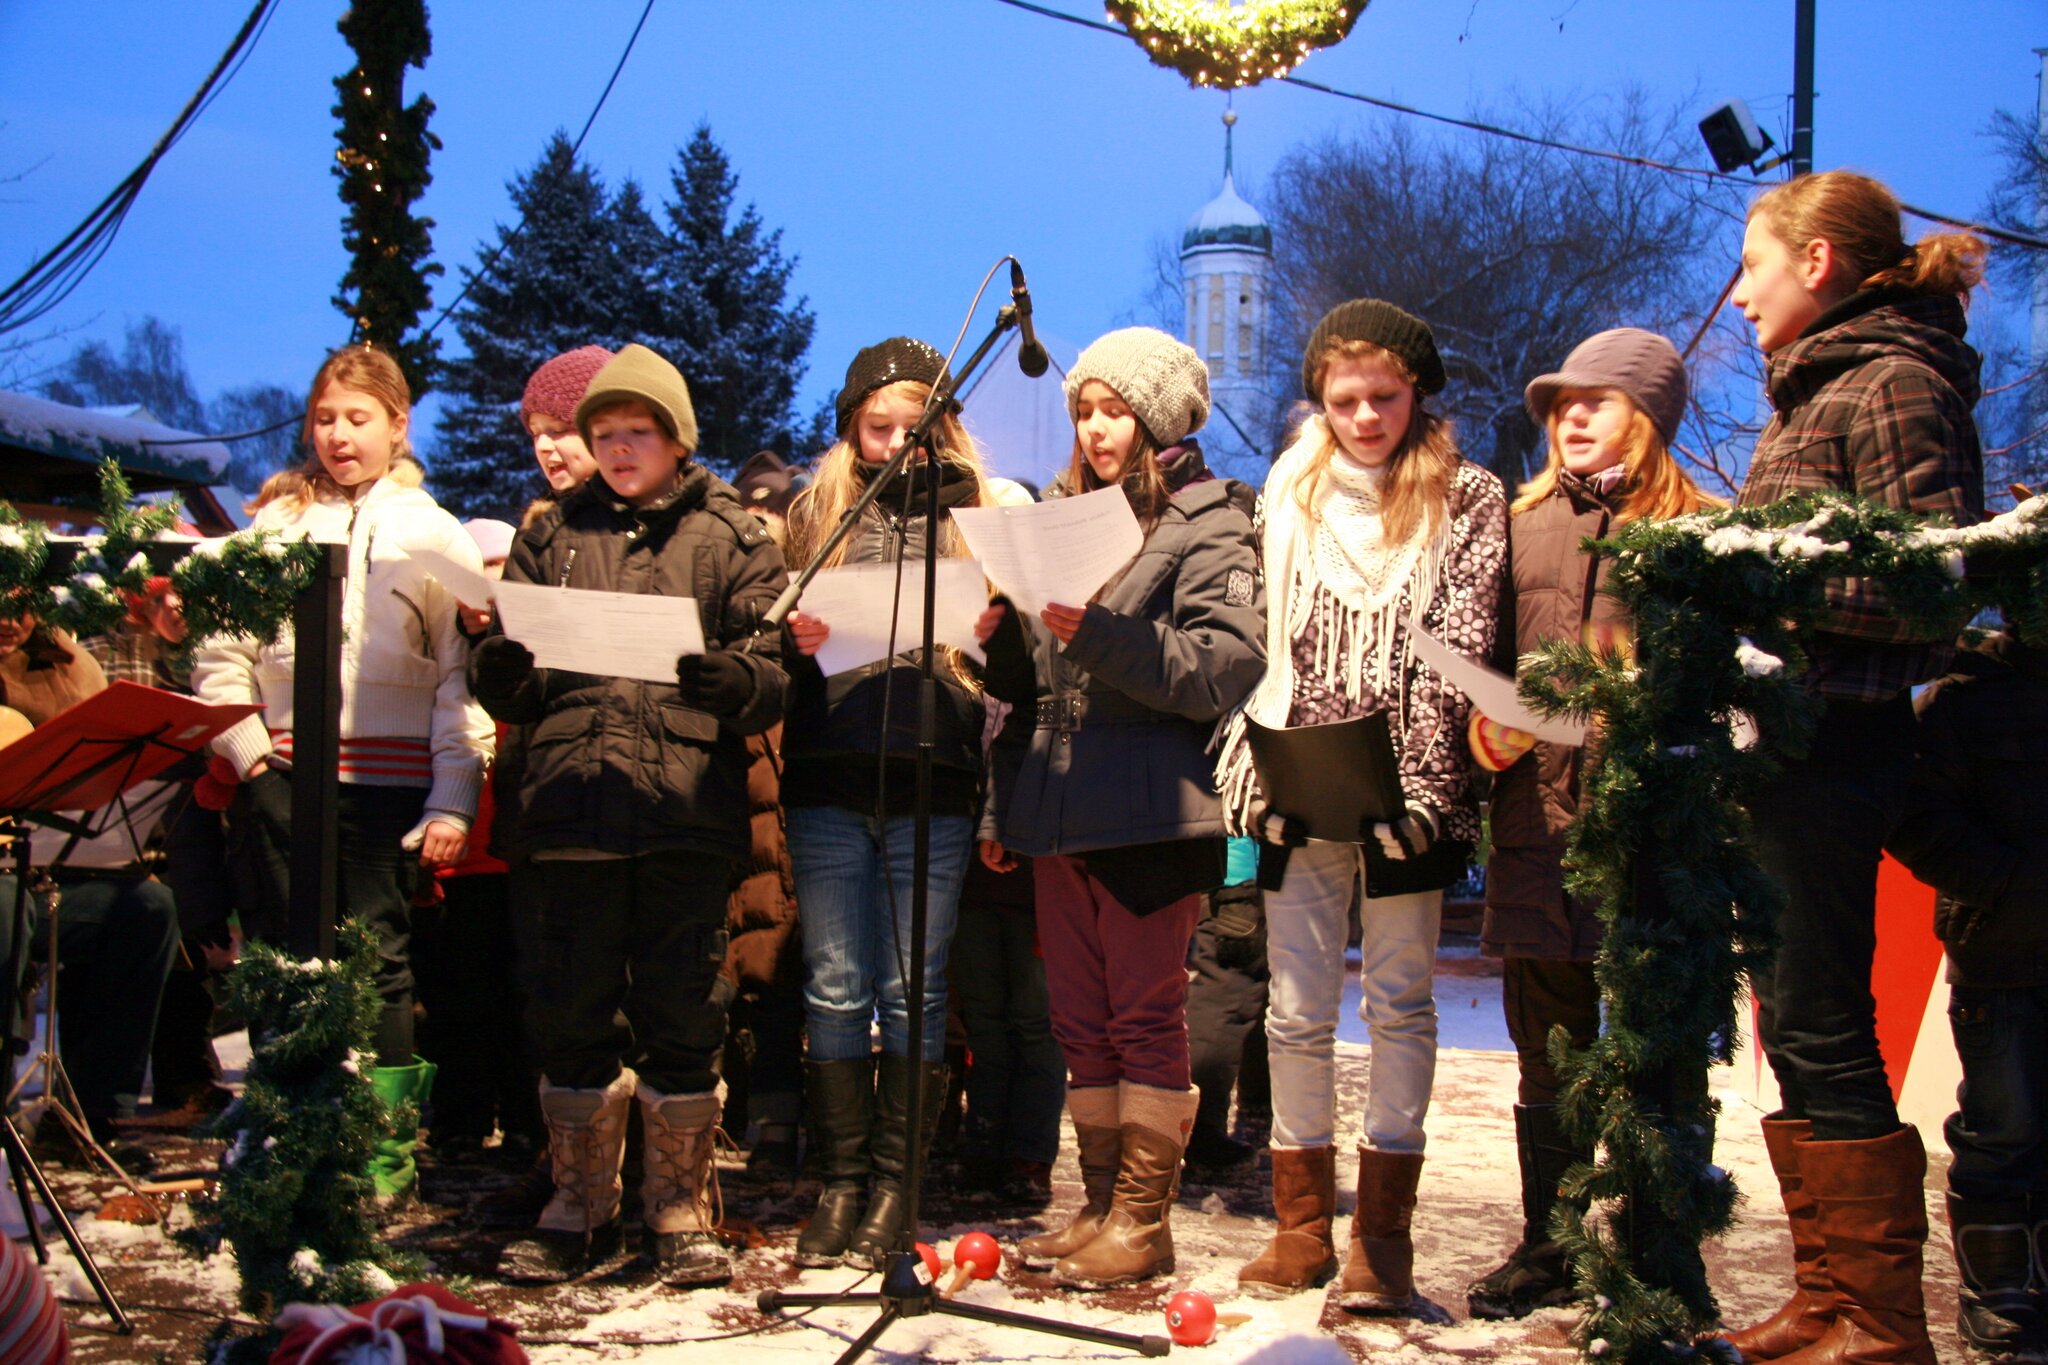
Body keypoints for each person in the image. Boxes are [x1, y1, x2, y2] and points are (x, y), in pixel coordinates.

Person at [1720, 170, 1985, 1365]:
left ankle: (1879, 1320)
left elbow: (1932, 585)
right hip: (1780, 745)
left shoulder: (1890, 382)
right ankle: (1825, 1291)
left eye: (1751, 265)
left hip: (1837, 743)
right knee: (1796, 1022)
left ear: (1814, 261)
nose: (1736, 297)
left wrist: (1746, 584)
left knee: (1826, 1022)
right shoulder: (1812, 391)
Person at [469, 344, 789, 1287]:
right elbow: (519, 668)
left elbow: (774, 667)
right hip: (568, 805)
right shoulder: (550, 533)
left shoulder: (731, 534)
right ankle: (577, 1201)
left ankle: (680, 1203)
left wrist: (743, 679)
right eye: (601, 435)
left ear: (676, 439)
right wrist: (506, 678)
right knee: (569, 1003)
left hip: (683, 807)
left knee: (683, 1006)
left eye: (635, 433)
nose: (615, 450)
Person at [1214, 300, 1507, 1310]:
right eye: (1344, 399)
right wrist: (1258, 768)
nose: (1365, 416)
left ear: (1415, 390)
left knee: (1397, 1004)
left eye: (1383, 396)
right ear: (1319, 401)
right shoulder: (1284, 493)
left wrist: (1425, 790)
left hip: (1408, 790)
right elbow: (1268, 642)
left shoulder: (1466, 496)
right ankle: (1301, 1227)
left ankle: (1380, 1243)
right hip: (1301, 778)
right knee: (1292, 1012)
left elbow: (1457, 648)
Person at [982, 325, 1265, 1288]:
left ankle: (1144, 1221)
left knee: (1145, 1018)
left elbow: (1223, 663)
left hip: (1149, 812)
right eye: (1084, 411)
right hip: (1057, 805)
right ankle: (1098, 1204)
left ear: (1161, 415)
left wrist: (1100, 631)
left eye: (1115, 410)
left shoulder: (1208, 517)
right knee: (1079, 1020)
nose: (1096, 428)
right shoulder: (1063, 515)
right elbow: (1031, 687)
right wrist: (1004, 634)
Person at [192, 343, 495, 1203]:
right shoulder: (275, 530)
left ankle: (381, 1145)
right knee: (286, 960)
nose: (338, 435)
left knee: (380, 961)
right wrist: (249, 754)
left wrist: (452, 793)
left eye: (357, 418)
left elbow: (456, 678)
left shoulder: (433, 533)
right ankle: (289, 1133)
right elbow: (220, 653)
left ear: (398, 426)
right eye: (324, 418)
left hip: (388, 784)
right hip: (283, 777)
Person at [1463, 328, 1722, 1320]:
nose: (1567, 416)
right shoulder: (1515, 526)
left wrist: (1653, 711)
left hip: (1650, 831)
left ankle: (1661, 1263)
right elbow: (1479, 663)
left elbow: (1742, 696)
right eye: (1557, 402)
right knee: (1547, 1051)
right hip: (1535, 823)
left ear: (1646, 417)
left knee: (1659, 1053)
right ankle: (1551, 1246)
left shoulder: (1698, 533)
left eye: (1594, 400)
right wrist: (1485, 728)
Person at [779, 337, 994, 1269]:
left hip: (934, 776)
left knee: (916, 988)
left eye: (919, 427)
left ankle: (898, 1187)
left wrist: (994, 631)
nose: (899, 442)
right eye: (880, 427)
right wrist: (795, 640)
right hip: (831, 773)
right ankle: (841, 1182)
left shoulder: (977, 519)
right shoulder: (812, 519)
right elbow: (768, 660)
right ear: (850, 431)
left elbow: (1014, 668)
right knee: (834, 984)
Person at [1887, 628, 2048, 1362]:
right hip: (2001, 953)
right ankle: (1999, 1290)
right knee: (2002, 1125)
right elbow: (1915, 815)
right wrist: (2007, 885)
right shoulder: (1966, 698)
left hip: (2003, 935)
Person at [409, 519, 545, 1167]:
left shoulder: (535, 654)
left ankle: (526, 1120)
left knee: (525, 995)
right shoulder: (444, 659)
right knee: (459, 998)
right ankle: (461, 1120)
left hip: (522, 852)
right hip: (460, 861)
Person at [84, 579, 241, 1128]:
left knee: (193, 945)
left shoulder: (208, 655)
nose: (174, 609)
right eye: (158, 599)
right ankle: (114, 1093)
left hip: (187, 815)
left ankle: (186, 1080)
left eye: (181, 598)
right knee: (140, 943)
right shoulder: (100, 655)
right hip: (117, 818)